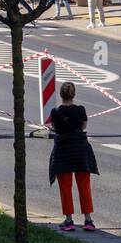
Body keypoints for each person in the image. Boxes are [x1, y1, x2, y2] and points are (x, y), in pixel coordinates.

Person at [47, 82, 98, 232]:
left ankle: (69, 221)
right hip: (81, 151)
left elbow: (55, 127)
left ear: (61, 95)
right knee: (84, 186)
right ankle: (88, 220)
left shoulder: (55, 112)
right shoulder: (81, 110)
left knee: (65, 186)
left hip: (63, 152)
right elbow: (83, 126)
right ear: (73, 95)